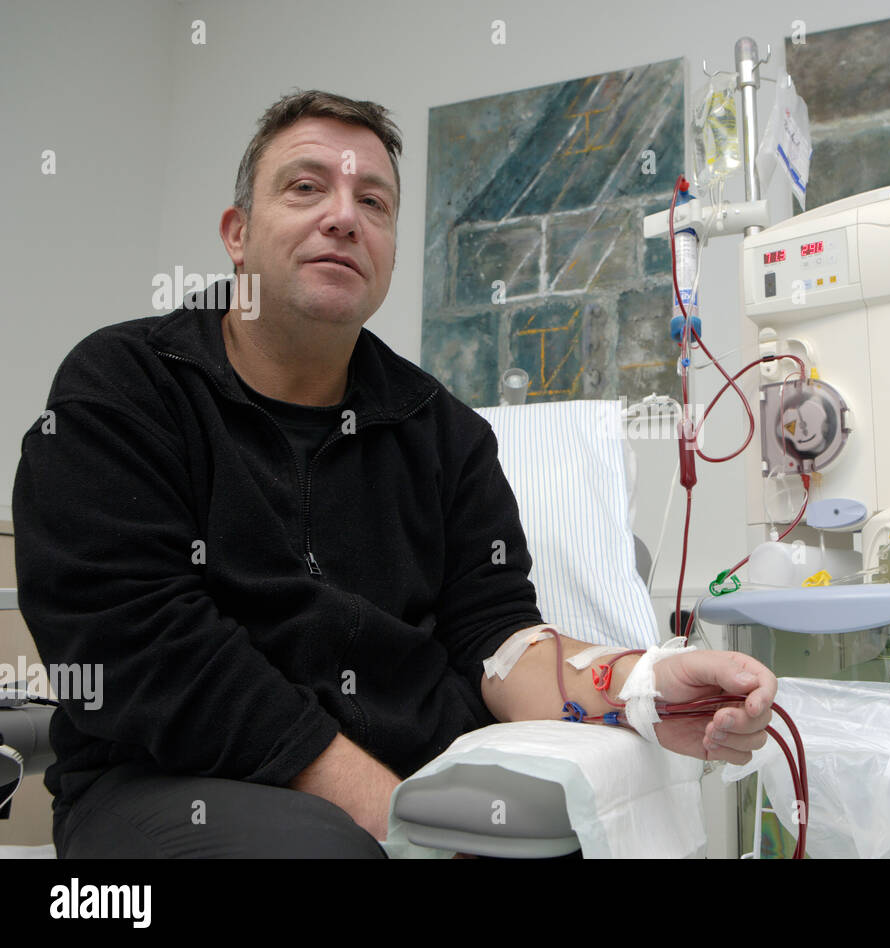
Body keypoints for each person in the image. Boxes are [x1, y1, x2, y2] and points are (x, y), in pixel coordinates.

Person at [11, 89, 776, 858]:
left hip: (412, 775)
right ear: (237, 234)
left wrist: (645, 687)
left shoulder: (445, 435)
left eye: (373, 202)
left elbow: (498, 642)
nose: (344, 217)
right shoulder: (125, 386)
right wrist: (394, 818)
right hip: (170, 783)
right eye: (306, 187)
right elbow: (140, 646)